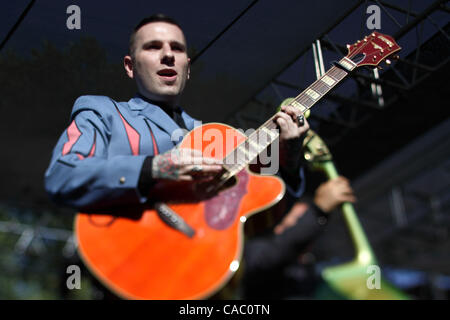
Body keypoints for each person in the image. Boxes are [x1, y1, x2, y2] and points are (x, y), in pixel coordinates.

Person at [44, 14, 310, 298]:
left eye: (177, 48)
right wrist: (154, 168)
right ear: (130, 66)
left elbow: (268, 211)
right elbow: (63, 176)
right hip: (127, 268)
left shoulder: (221, 138)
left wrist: (290, 156)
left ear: (188, 68)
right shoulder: (102, 112)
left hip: (200, 279)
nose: (168, 55)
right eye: (153, 47)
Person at [242, 176, 356, 299]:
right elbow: (268, 255)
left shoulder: (311, 269)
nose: (307, 231)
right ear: (278, 226)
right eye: (298, 221)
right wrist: (318, 211)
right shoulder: (256, 252)